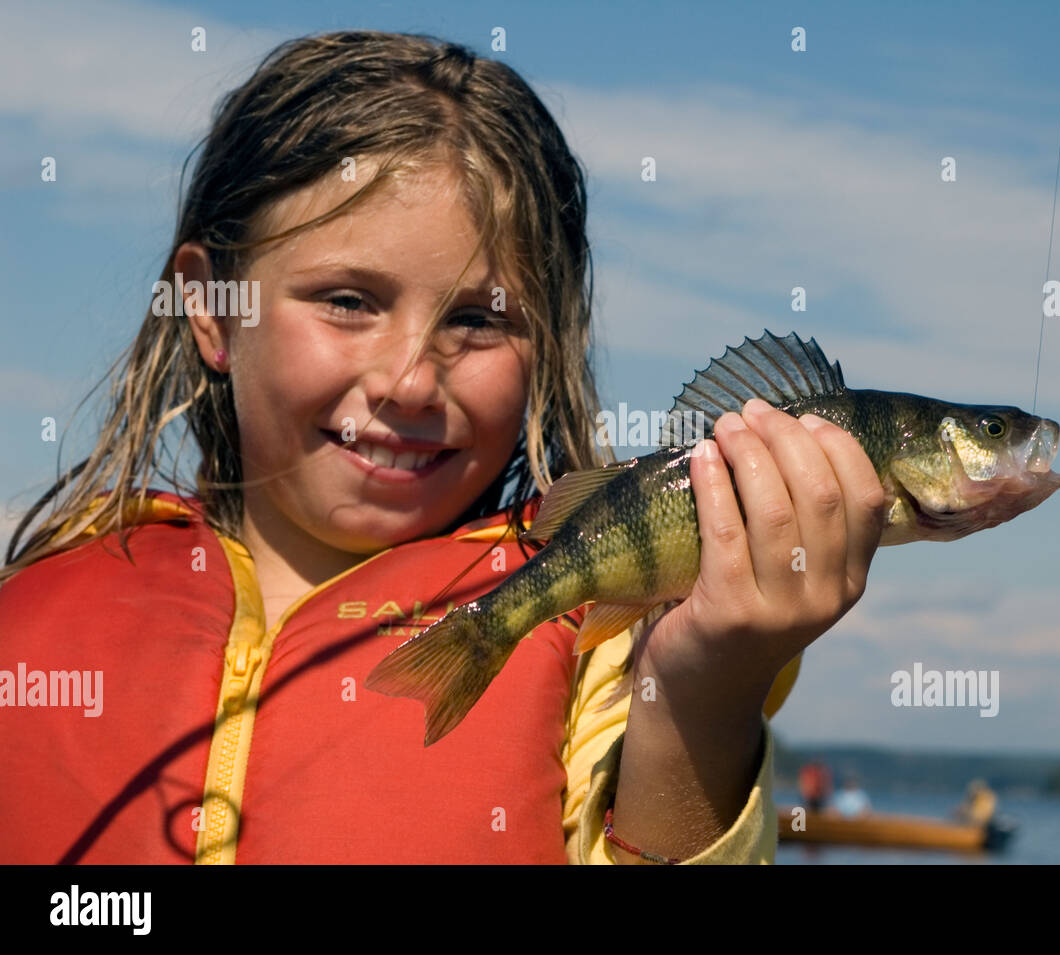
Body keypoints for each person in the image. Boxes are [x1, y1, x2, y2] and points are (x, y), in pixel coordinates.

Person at [0, 31, 885, 864]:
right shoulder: (33, 614)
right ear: (210, 305)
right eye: (347, 301)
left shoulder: (611, 643)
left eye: (476, 320)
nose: (411, 382)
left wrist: (702, 692)